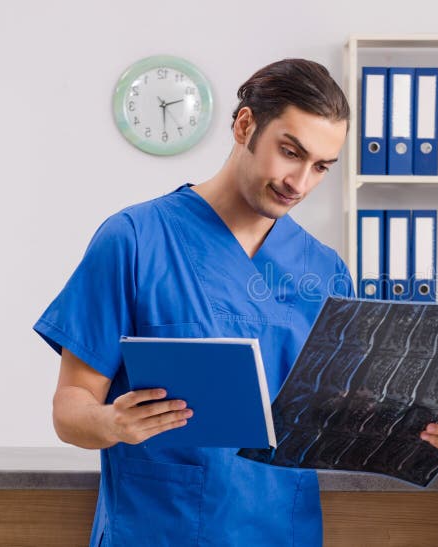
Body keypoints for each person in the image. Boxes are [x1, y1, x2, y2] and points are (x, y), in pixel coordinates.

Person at [34, 58, 356, 546]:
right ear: (245, 124)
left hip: (282, 531)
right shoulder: (135, 240)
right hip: (157, 529)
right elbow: (69, 409)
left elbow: (341, 418)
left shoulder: (325, 270)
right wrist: (113, 421)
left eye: (321, 168)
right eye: (290, 152)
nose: (301, 183)